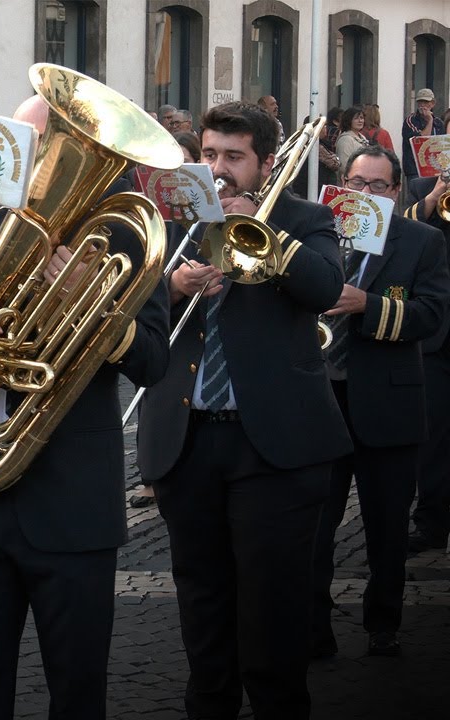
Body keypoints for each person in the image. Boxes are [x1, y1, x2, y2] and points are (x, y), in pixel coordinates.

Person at [0, 95, 171, 719]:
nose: (31, 156)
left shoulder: (124, 237)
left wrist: (92, 304)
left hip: (73, 504)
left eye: (43, 145)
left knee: (78, 695)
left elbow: (153, 361)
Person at [137, 102, 352, 719]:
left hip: (275, 446)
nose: (218, 168)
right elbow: (123, 306)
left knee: (273, 605)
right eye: (209, 154)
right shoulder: (169, 220)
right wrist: (170, 286)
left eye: (234, 156)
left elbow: (325, 288)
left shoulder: (305, 218)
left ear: (265, 163)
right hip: (188, 439)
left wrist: (262, 231)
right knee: (202, 598)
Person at [311, 145, 450, 659]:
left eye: (376, 185)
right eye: (356, 183)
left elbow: (431, 316)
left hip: (388, 401)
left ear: (395, 191)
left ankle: (383, 622)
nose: (364, 193)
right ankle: (313, 626)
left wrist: (368, 305)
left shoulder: (422, 240)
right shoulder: (320, 234)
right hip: (322, 397)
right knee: (316, 524)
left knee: (388, 524)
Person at [130, 129, 202, 509]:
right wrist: (172, 285)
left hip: (196, 333)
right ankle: (151, 474)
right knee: (151, 393)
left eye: (187, 164)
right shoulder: (152, 213)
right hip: (161, 322)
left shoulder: (206, 208)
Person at [405, 173, 450, 555]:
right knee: (433, 437)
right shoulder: (422, 189)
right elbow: (399, 229)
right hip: (437, 334)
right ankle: (431, 523)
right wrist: (434, 199)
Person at [401, 88, 445, 184]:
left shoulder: (439, 123)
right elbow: (421, 140)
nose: (423, 105)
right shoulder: (411, 121)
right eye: (420, 102)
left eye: (426, 102)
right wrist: (430, 121)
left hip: (434, 168)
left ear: (432, 103)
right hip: (415, 169)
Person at [335, 106, 370, 177]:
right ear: (349, 120)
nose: (360, 121)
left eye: (361, 118)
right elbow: (344, 166)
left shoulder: (363, 138)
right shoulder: (345, 139)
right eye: (356, 118)